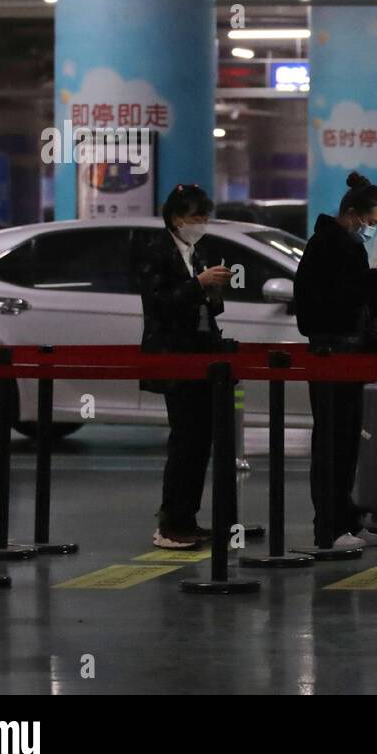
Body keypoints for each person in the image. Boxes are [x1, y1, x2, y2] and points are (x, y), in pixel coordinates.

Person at [294, 172, 377, 551]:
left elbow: (365, 304)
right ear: (353, 213)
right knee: (332, 443)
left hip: (349, 353)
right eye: (370, 223)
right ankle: (328, 527)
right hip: (332, 354)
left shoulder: (342, 245)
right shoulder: (329, 245)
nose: (371, 231)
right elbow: (343, 298)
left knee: (347, 443)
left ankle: (346, 520)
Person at [133, 184, 232, 550]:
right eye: (195, 217)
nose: (201, 223)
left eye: (205, 217)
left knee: (200, 441)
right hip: (176, 357)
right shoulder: (157, 252)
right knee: (185, 440)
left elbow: (203, 306)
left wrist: (212, 292)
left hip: (203, 355)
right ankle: (170, 523)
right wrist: (197, 285)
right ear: (175, 218)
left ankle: (188, 518)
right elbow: (159, 304)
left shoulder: (197, 251)